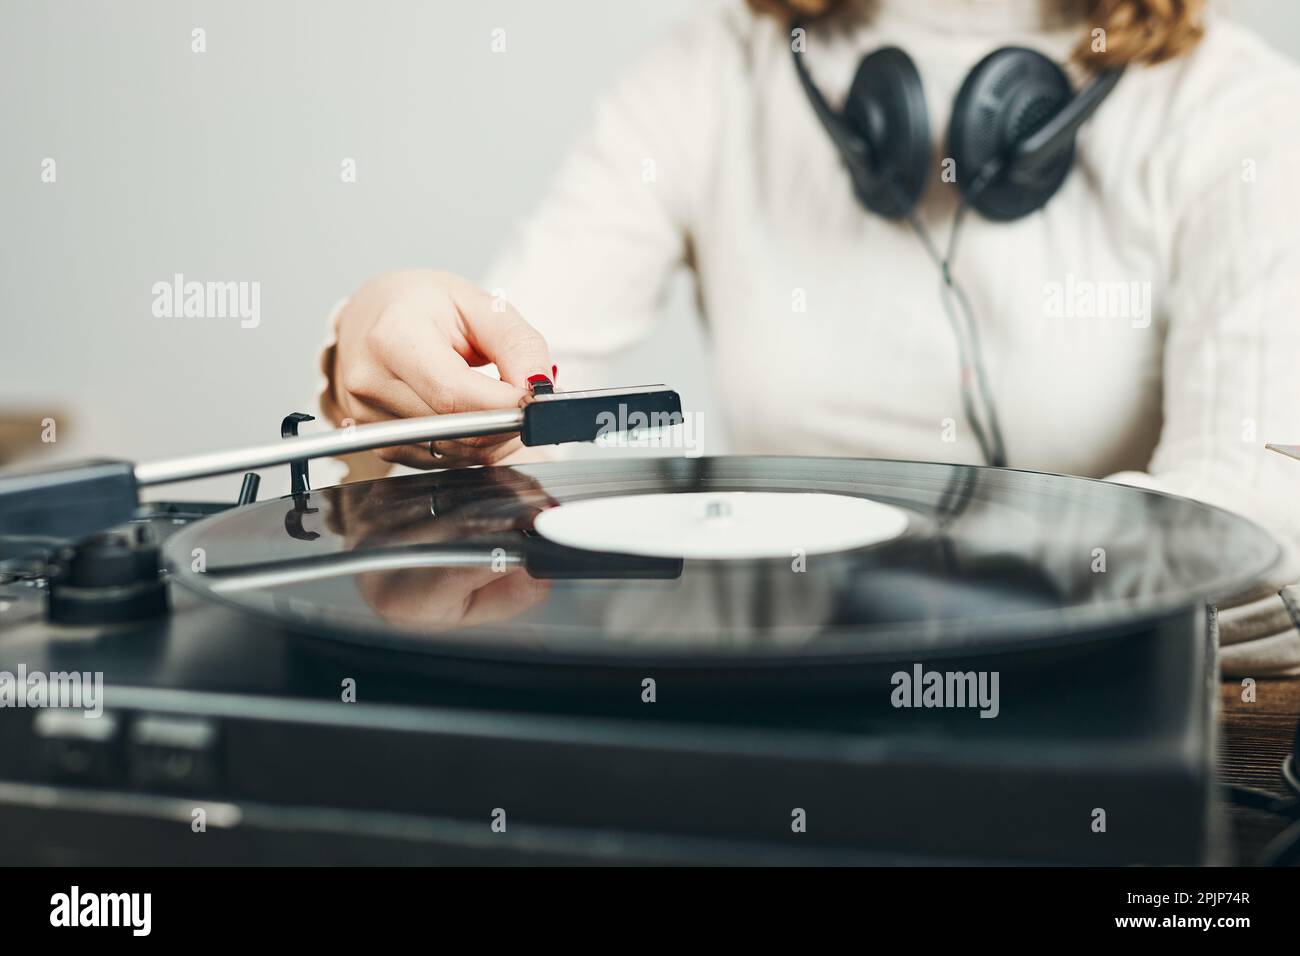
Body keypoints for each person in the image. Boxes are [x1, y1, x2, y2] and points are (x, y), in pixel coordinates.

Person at [317, 0, 1300, 674]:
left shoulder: (1238, 114)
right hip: (771, 725)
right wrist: (394, 367)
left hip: (1075, 735)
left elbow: (1258, 524)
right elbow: (481, 396)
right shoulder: (715, 74)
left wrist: (912, 584)